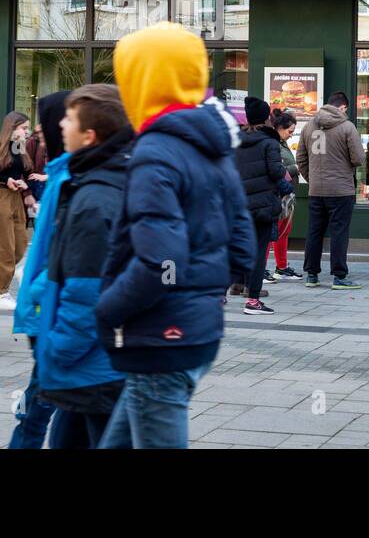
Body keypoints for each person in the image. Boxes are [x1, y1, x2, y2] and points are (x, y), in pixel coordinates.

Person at [96, 22, 254, 449]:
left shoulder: (156, 150)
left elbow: (160, 264)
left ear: (144, 80)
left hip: (160, 337)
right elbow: (243, 246)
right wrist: (201, 294)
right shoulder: (211, 143)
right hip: (196, 330)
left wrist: (105, 310)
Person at [35, 85, 134, 448]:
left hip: (92, 366)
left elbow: (86, 292)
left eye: (70, 118)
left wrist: (57, 348)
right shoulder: (98, 181)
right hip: (99, 364)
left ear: (89, 135)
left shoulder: (94, 197)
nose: (61, 124)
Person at [9, 90, 71, 449]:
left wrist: (36, 301)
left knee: (38, 411)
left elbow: (65, 262)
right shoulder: (63, 174)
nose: (38, 137)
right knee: (43, 408)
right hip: (46, 313)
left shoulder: (72, 181)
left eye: (45, 128)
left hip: (55, 317)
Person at [296, 90, 366, 289]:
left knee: (314, 231)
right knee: (339, 232)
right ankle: (339, 276)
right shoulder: (347, 127)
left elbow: (300, 158)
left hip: (316, 190)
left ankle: (311, 274)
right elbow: (359, 159)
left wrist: (313, 179)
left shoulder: (309, 126)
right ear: (342, 107)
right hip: (341, 190)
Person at [234, 97, 287, 315]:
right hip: (262, 206)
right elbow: (275, 172)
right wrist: (286, 187)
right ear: (266, 118)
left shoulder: (235, 139)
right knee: (257, 252)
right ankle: (253, 300)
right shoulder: (269, 142)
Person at [0, 111, 33, 310]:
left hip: (16, 198)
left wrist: (23, 182)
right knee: (5, 246)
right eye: (23, 128)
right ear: (12, 127)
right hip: (0, 196)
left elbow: (22, 170)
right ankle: (2, 293)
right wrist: (6, 179)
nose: (27, 131)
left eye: (27, 128)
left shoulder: (19, 146)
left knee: (21, 243)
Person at [268, 109, 302, 281]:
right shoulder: (273, 143)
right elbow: (275, 169)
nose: (291, 135)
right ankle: (263, 269)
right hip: (276, 193)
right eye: (290, 131)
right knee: (271, 231)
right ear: (280, 128)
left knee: (283, 230)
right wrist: (295, 168)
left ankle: (281, 267)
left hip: (285, 193)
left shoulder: (280, 142)